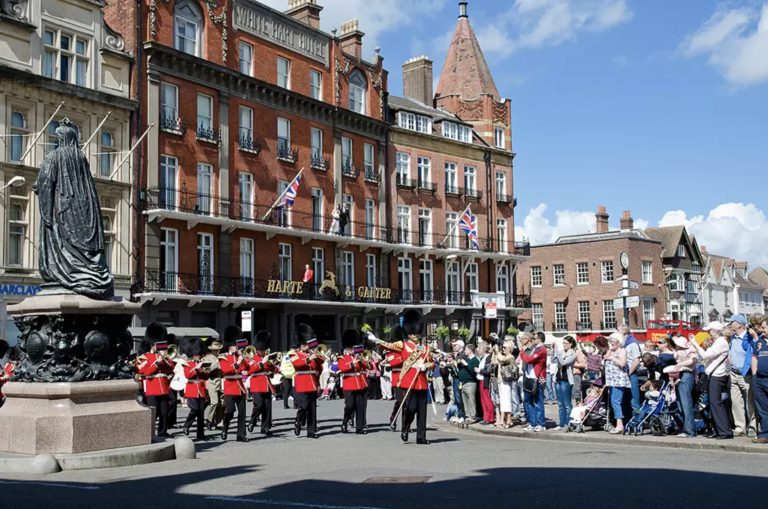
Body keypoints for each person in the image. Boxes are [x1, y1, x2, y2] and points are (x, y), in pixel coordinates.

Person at [377, 310, 434, 444]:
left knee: (422, 411)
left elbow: (432, 363)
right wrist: (376, 341)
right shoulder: (402, 345)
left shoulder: (425, 348)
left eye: (416, 333)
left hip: (421, 382)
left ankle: (421, 437)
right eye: (412, 333)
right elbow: (388, 346)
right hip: (408, 382)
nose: (415, 335)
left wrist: (426, 366)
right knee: (410, 408)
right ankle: (406, 428)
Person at [690, 321, 733, 440]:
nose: (709, 333)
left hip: (717, 376)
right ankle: (720, 430)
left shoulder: (720, 343)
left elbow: (705, 355)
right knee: (714, 404)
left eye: (710, 331)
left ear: (715, 331)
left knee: (716, 403)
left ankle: (724, 431)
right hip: (714, 376)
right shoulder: (719, 342)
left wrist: (695, 343)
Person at [136, 323, 174, 438]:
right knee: (154, 414)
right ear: (152, 344)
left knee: (164, 413)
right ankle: (149, 433)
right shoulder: (145, 357)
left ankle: (162, 432)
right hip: (152, 389)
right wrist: (157, 362)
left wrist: (164, 358)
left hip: (164, 388)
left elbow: (171, 368)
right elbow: (146, 372)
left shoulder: (164, 356)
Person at [291, 323, 324, 438]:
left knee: (312, 409)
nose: (306, 346)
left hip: (312, 383)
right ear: (299, 345)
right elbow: (297, 364)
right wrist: (309, 359)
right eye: (304, 344)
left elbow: (320, 365)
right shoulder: (294, 354)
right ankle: (298, 422)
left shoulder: (311, 354)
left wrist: (316, 356)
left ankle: (311, 431)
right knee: (304, 407)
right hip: (302, 383)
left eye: (307, 344)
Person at [728, 314, 757, 437]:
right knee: (736, 402)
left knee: (750, 402)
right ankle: (740, 427)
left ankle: (753, 426)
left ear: (739, 324)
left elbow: (751, 354)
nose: (730, 325)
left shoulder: (748, 337)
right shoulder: (733, 338)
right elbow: (730, 352)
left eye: (732, 322)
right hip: (733, 372)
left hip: (745, 374)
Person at [219, 326, 249, 442]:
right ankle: (225, 427)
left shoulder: (239, 356)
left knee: (242, 413)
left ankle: (241, 435)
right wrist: (238, 362)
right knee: (230, 411)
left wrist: (243, 358)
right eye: (234, 345)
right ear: (229, 346)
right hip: (230, 387)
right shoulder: (224, 357)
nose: (236, 347)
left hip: (240, 387)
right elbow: (226, 370)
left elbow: (247, 368)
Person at [339, 329, 371, 435]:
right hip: (349, 385)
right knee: (350, 406)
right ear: (347, 348)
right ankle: (345, 421)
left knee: (360, 407)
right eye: (351, 347)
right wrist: (353, 362)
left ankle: (360, 428)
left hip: (360, 385)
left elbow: (369, 367)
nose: (352, 349)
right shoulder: (342, 358)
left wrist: (362, 360)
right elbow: (343, 368)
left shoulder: (359, 357)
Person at [247, 331, 279, 436]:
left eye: (264, 349)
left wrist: (273, 365)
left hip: (267, 385)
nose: (264, 351)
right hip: (257, 385)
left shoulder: (266, 358)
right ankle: (252, 421)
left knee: (267, 408)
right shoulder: (252, 358)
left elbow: (273, 369)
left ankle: (265, 428)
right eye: (262, 350)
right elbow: (251, 370)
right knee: (258, 405)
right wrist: (262, 362)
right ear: (258, 349)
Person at [598, 333, 630, 435]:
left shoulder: (622, 350)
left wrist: (612, 358)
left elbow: (623, 364)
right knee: (613, 402)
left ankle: (620, 425)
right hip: (610, 380)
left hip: (618, 380)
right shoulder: (610, 351)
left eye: (614, 342)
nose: (612, 343)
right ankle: (618, 424)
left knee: (615, 402)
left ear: (619, 342)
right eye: (610, 341)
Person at [668, 333, 699, 438]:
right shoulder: (678, 351)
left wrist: (679, 364)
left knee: (686, 404)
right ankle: (686, 429)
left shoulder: (689, 350)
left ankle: (689, 431)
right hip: (679, 375)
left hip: (686, 375)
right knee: (681, 404)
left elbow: (693, 361)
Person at [182, 338, 209, 440]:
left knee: (201, 413)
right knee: (195, 409)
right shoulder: (187, 364)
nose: (198, 355)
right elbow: (188, 375)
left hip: (200, 389)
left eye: (198, 353)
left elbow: (205, 378)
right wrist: (198, 368)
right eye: (196, 353)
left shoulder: (201, 363)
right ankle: (187, 425)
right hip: (192, 389)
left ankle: (200, 434)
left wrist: (206, 371)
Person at [520, 332, 547, 431]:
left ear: (539, 339)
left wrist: (522, 351)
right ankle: (532, 422)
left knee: (538, 402)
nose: (533, 340)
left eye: (535, 338)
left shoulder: (541, 349)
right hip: (530, 377)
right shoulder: (536, 348)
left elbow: (528, 360)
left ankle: (541, 424)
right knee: (530, 402)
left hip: (537, 378)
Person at [749, 314, 768, 444]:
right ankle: (765, 434)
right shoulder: (760, 341)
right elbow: (754, 358)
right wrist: (755, 374)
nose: (762, 330)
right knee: (763, 408)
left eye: (764, 327)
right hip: (760, 379)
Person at [553, 336, 577, 431]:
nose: (564, 345)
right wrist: (553, 352)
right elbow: (553, 361)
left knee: (567, 403)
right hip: (558, 379)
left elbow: (563, 363)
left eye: (566, 343)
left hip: (566, 380)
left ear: (571, 344)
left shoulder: (573, 354)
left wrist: (557, 353)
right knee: (560, 403)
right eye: (563, 343)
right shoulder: (561, 352)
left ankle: (568, 423)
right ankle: (561, 423)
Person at [493, 340, 518, 429]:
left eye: (504, 348)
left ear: (509, 349)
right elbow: (495, 362)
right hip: (501, 380)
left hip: (507, 381)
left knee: (507, 400)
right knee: (503, 401)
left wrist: (497, 352)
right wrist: (495, 352)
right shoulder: (503, 356)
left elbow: (502, 360)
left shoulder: (510, 357)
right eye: (502, 347)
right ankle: (506, 419)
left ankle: (509, 419)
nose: (503, 349)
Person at [620, 324, 642, 415]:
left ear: (624, 331)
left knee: (634, 398)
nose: (617, 332)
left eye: (619, 330)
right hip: (623, 373)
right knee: (625, 398)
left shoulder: (633, 343)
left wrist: (629, 373)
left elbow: (636, 361)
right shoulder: (622, 344)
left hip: (631, 373)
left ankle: (637, 418)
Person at [385, 327, 405, 430]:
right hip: (397, 377)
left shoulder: (406, 349)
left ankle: (405, 425)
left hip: (408, 377)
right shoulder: (390, 351)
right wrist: (404, 357)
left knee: (407, 402)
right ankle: (393, 418)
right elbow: (393, 362)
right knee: (400, 401)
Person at [203, 340, 224, 430]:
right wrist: (217, 362)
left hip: (220, 381)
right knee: (214, 402)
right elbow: (207, 370)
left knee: (220, 403)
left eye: (218, 350)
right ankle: (209, 419)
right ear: (211, 350)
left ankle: (219, 423)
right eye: (215, 350)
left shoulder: (220, 357)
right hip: (211, 381)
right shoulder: (207, 358)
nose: (217, 352)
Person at [457, 344, 480, 423]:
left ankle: (473, 416)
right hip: (463, 383)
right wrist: (459, 364)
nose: (465, 351)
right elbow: (461, 370)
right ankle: (468, 416)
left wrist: (466, 364)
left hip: (470, 382)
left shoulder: (475, 360)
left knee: (471, 400)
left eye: (466, 350)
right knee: (465, 401)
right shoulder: (466, 359)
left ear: (470, 350)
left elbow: (473, 372)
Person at [477, 345, 495, 425]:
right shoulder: (483, 358)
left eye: (479, 349)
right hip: (481, 380)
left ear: (483, 349)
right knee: (483, 400)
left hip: (485, 381)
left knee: (487, 400)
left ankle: (490, 418)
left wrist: (479, 370)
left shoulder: (488, 358)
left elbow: (487, 371)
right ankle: (486, 417)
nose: (478, 350)